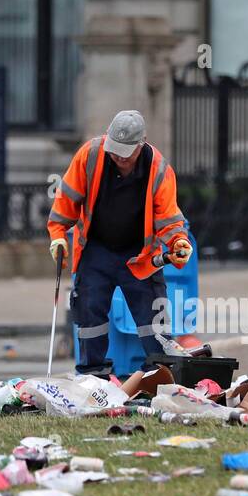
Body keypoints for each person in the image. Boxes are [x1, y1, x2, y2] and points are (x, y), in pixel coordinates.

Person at [47, 110, 193, 375]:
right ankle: (93, 377)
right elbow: (65, 201)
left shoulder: (159, 169)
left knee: (154, 324)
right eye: (114, 151)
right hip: (96, 250)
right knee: (90, 316)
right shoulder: (90, 156)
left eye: (125, 153)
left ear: (141, 144)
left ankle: (161, 376)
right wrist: (58, 237)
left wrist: (178, 241)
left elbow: (168, 218)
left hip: (139, 255)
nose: (118, 158)